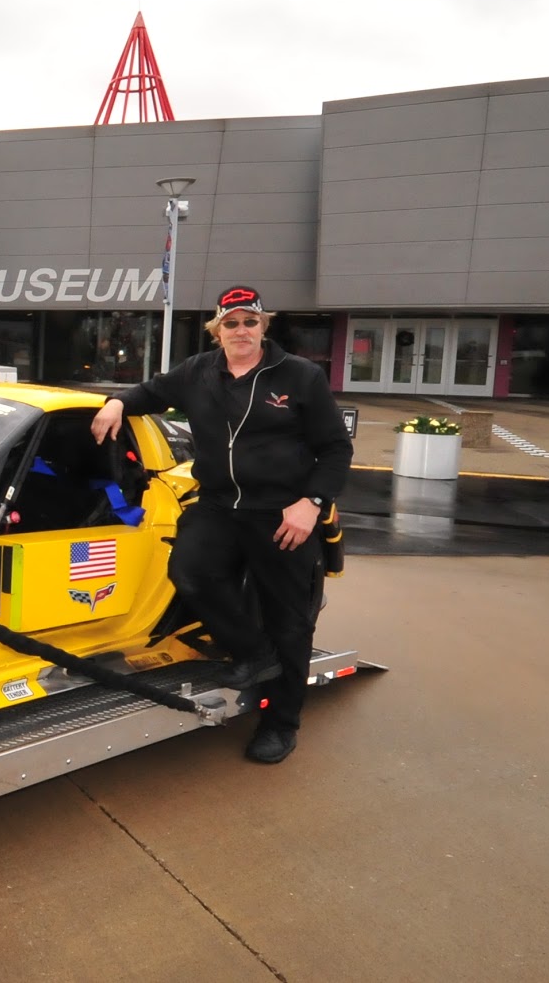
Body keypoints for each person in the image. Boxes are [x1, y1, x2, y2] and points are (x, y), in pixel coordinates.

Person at [90, 286, 353, 764]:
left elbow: (336, 449)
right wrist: (115, 402)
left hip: (283, 510)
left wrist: (311, 502)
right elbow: (149, 392)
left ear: (264, 325)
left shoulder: (300, 375)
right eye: (231, 323)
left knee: (291, 623)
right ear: (217, 329)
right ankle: (252, 652)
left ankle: (281, 723)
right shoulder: (198, 372)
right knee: (190, 572)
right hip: (218, 504)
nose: (241, 331)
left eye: (250, 321)